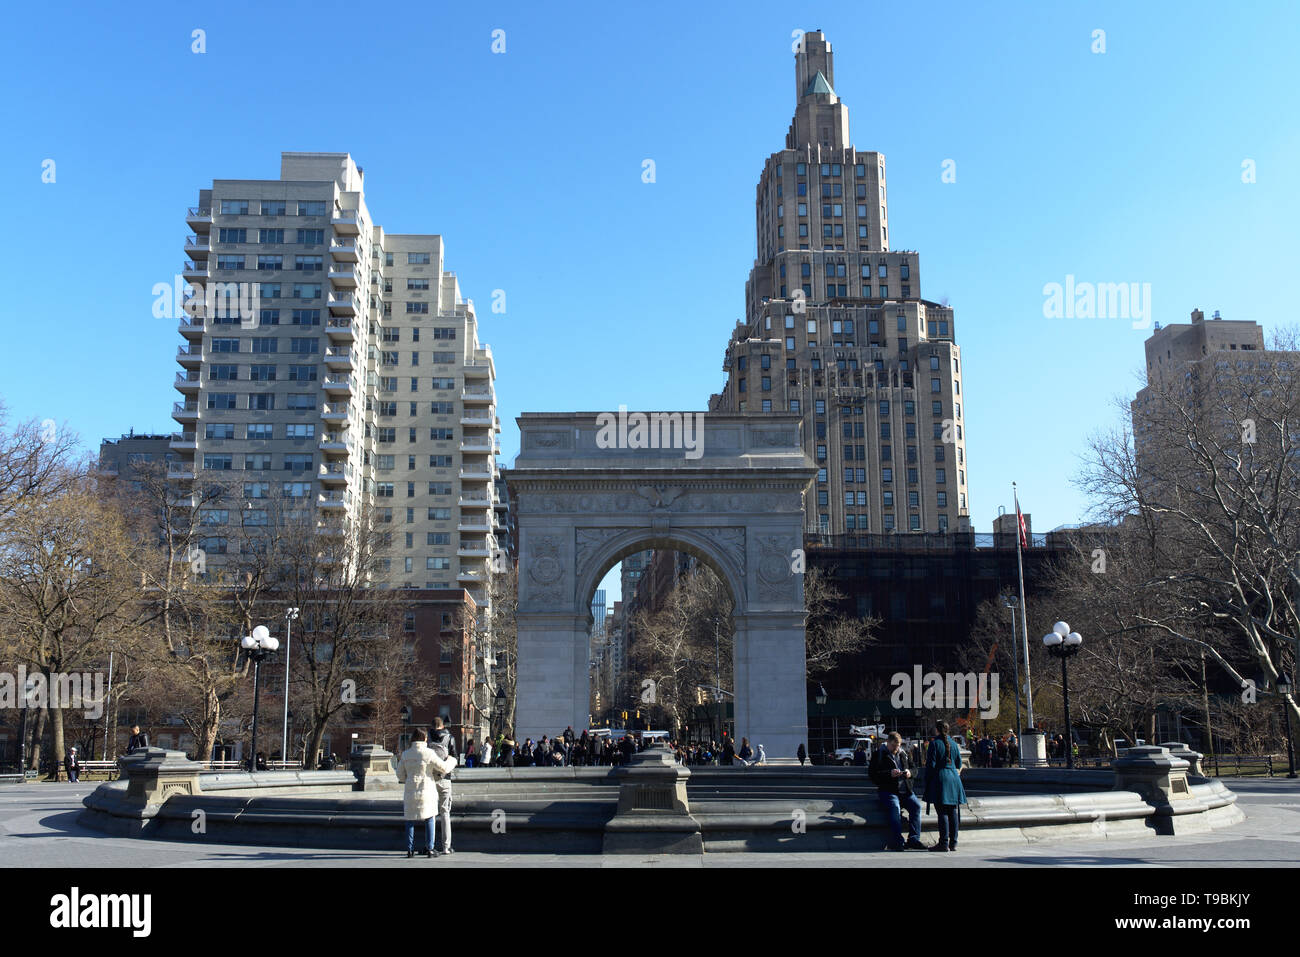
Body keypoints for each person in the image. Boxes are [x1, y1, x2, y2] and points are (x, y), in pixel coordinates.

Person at [395, 729, 454, 858]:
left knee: (410, 820)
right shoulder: (429, 753)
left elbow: (399, 775)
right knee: (430, 818)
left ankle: (410, 850)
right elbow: (443, 767)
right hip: (427, 789)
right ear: (424, 739)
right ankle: (430, 848)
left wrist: (409, 779)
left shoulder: (405, 754)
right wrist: (451, 760)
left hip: (411, 790)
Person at [870, 732, 925, 851]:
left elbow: (915, 769)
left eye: (898, 745)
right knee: (895, 807)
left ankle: (914, 839)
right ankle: (898, 841)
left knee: (916, 806)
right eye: (894, 746)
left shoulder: (903, 753)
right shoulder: (878, 755)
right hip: (889, 791)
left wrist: (909, 773)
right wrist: (889, 774)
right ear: (888, 743)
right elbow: (873, 775)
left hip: (905, 790)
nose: (896, 748)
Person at [924, 720, 967, 852]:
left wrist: (927, 781)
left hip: (940, 778)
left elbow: (930, 765)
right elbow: (959, 764)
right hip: (954, 778)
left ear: (937, 730)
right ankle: (953, 842)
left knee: (942, 811)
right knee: (952, 811)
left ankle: (943, 842)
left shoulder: (934, 744)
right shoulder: (954, 744)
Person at [428, 717, 459, 854]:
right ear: (443, 725)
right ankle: (446, 846)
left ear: (432, 725)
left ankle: (430, 845)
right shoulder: (450, 737)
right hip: (445, 778)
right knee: (445, 812)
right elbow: (455, 757)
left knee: (430, 813)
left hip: (430, 779)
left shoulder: (427, 738)